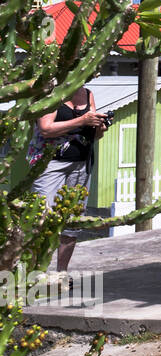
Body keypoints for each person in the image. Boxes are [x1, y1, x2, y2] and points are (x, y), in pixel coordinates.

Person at [32, 86, 109, 272]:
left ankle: (61, 273)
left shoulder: (88, 93)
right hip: (50, 163)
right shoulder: (49, 91)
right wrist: (82, 120)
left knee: (72, 221)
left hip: (81, 163)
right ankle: (34, 273)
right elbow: (45, 129)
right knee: (40, 219)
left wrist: (100, 127)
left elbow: (94, 135)